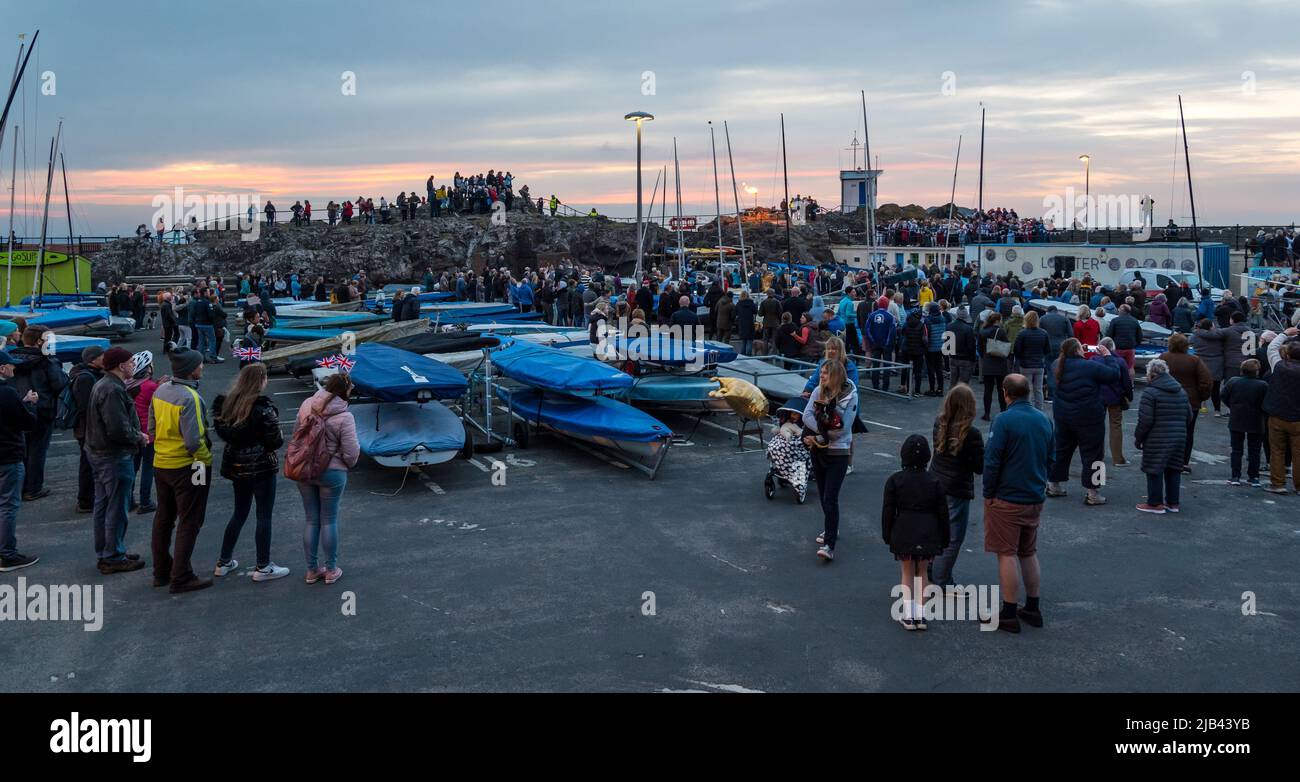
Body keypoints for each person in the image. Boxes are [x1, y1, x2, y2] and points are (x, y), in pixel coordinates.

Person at [982, 374, 1054, 634]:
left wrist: (988, 493)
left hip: (1007, 497)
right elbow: (1051, 457)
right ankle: (1032, 607)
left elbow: (992, 460)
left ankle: (1009, 612)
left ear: (1005, 393)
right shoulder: (1044, 420)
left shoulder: (1003, 421)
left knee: (1007, 553)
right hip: (1034, 495)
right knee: (1028, 551)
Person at [213, 363, 289, 582]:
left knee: (239, 512)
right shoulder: (263, 408)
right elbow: (274, 440)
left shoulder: (228, 405)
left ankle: (224, 561)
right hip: (261, 466)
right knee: (263, 515)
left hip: (237, 466)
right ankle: (263, 566)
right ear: (261, 380)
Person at [150, 348, 214, 594]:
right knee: (190, 521)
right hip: (187, 467)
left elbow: (153, 426)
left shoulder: (161, 390)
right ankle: (182, 576)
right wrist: (206, 461)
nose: (203, 367)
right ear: (191, 369)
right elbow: (194, 441)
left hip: (161, 463)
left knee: (164, 519)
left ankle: (161, 572)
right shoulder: (190, 398)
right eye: (200, 364)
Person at [85, 347, 149, 575]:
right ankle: (113, 556)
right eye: (131, 361)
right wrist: (138, 437)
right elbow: (117, 427)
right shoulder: (112, 389)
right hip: (113, 456)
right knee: (116, 507)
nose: (134, 365)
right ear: (121, 365)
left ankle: (107, 551)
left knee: (103, 505)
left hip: (98, 452)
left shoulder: (103, 385)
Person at [294, 373, 359, 585]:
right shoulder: (344, 415)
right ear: (345, 390)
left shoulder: (307, 404)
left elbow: (297, 434)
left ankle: (312, 570)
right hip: (332, 471)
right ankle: (331, 569)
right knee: (329, 519)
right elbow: (351, 451)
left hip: (304, 469)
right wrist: (346, 464)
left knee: (311, 519)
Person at [882, 435, 950, 631]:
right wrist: (944, 538)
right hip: (928, 531)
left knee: (906, 571)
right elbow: (943, 513)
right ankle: (921, 615)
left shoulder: (895, 480)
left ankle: (908, 614)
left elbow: (888, 510)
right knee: (923, 573)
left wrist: (887, 535)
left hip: (904, 530)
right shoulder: (934, 481)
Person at [1047, 338, 1119, 505]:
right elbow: (1113, 375)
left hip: (1063, 416)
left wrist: (1080, 349)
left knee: (1061, 450)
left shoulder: (1057, 364)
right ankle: (1093, 492)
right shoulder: (1090, 366)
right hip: (1089, 417)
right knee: (1094, 454)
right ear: (1078, 350)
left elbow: (1065, 357)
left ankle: (1053, 484)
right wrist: (1109, 356)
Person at [928, 383, 983, 590]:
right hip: (956, 487)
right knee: (953, 537)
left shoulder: (939, 423)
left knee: (936, 531)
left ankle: (930, 568)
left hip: (935, 481)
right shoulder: (971, 433)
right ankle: (942, 580)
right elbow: (979, 467)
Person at [803, 360, 857, 562]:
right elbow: (806, 415)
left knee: (830, 497)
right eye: (821, 372)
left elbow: (843, 429)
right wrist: (823, 431)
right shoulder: (818, 390)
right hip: (818, 451)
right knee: (824, 495)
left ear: (835, 375)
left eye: (825, 373)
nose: (821, 375)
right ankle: (831, 528)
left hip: (839, 453)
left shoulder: (851, 395)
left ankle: (829, 545)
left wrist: (820, 434)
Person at [11, 326, 69, 502]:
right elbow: (59, 384)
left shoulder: (12, 358)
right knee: (38, 450)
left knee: (21, 450)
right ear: (40, 341)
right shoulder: (47, 362)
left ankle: (18, 487)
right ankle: (33, 488)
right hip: (43, 410)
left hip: (18, 408)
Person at [1134, 359, 1192, 514]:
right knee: (1173, 469)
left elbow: (1145, 420)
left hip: (1156, 437)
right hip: (1179, 436)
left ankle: (1155, 504)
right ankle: (1173, 503)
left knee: (1154, 468)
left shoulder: (1150, 392)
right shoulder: (1181, 391)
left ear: (1152, 375)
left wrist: (1138, 438)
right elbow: (1189, 416)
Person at [0, 349, 39, 571]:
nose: (14, 368)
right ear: (2, 369)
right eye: (10, 365)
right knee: (8, 505)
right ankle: (7, 554)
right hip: (8, 456)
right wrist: (30, 404)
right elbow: (26, 423)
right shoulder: (7, 392)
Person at [1160, 333, 1213, 473]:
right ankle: (1183, 462)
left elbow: (1154, 376)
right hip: (1190, 401)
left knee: (1165, 431)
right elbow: (1206, 382)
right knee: (1187, 432)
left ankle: (1166, 459)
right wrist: (1201, 397)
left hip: (1166, 400)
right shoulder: (1194, 360)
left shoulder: (1164, 358)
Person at [1263, 331, 1300, 494]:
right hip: (1298, 418)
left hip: (1277, 413)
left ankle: (1278, 483)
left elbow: (1272, 347)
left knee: (1277, 451)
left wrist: (1285, 333)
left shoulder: (1278, 365)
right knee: (1298, 453)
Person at [1222, 358, 1268, 487]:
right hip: (1256, 419)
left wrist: (1233, 406)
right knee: (1254, 450)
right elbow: (1266, 403)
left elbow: (1223, 396)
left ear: (1242, 370)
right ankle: (1254, 477)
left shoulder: (1233, 382)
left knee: (1236, 449)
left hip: (1237, 417)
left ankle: (1235, 476)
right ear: (1257, 371)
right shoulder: (1263, 385)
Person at [1092, 337, 1134, 467]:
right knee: (1115, 425)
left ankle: (1097, 456)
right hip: (1115, 396)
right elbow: (1126, 382)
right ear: (1112, 347)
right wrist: (1129, 396)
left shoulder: (1093, 360)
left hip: (1097, 397)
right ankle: (1118, 458)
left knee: (1097, 426)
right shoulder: (1120, 361)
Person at [127, 351, 159, 514]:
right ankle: (145, 501)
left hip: (133, 433)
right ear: (147, 369)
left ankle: (129, 500)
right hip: (149, 434)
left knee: (133, 467)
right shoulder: (151, 387)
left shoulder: (128, 384)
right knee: (148, 468)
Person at [1013, 310, 1051, 410]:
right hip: (1039, 365)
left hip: (1025, 365)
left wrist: (1021, 358)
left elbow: (1017, 350)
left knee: (1027, 389)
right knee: (1038, 389)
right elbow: (1048, 350)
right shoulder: (1044, 333)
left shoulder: (1022, 334)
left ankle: (1028, 409)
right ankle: (1039, 409)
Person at [978, 312, 1011, 420]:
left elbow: (979, 348)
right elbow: (1006, 346)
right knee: (1001, 389)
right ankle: (1003, 411)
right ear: (998, 320)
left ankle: (987, 413)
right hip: (1000, 364)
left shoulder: (983, 331)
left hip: (987, 363)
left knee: (988, 389)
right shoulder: (1000, 331)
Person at [1190, 319, 1225, 415]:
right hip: (1216, 363)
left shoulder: (1195, 336)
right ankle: (1217, 410)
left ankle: (1200, 406)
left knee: (1199, 386)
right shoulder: (1219, 336)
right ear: (1210, 327)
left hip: (1200, 363)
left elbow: (1189, 342)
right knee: (1216, 389)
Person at [735, 289, 757, 355]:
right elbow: (755, 311)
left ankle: (742, 354)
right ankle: (749, 354)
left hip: (742, 323)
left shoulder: (738, 304)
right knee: (750, 340)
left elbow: (736, 312)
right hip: (750, 323)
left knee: (743, 341)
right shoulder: (751, 303)